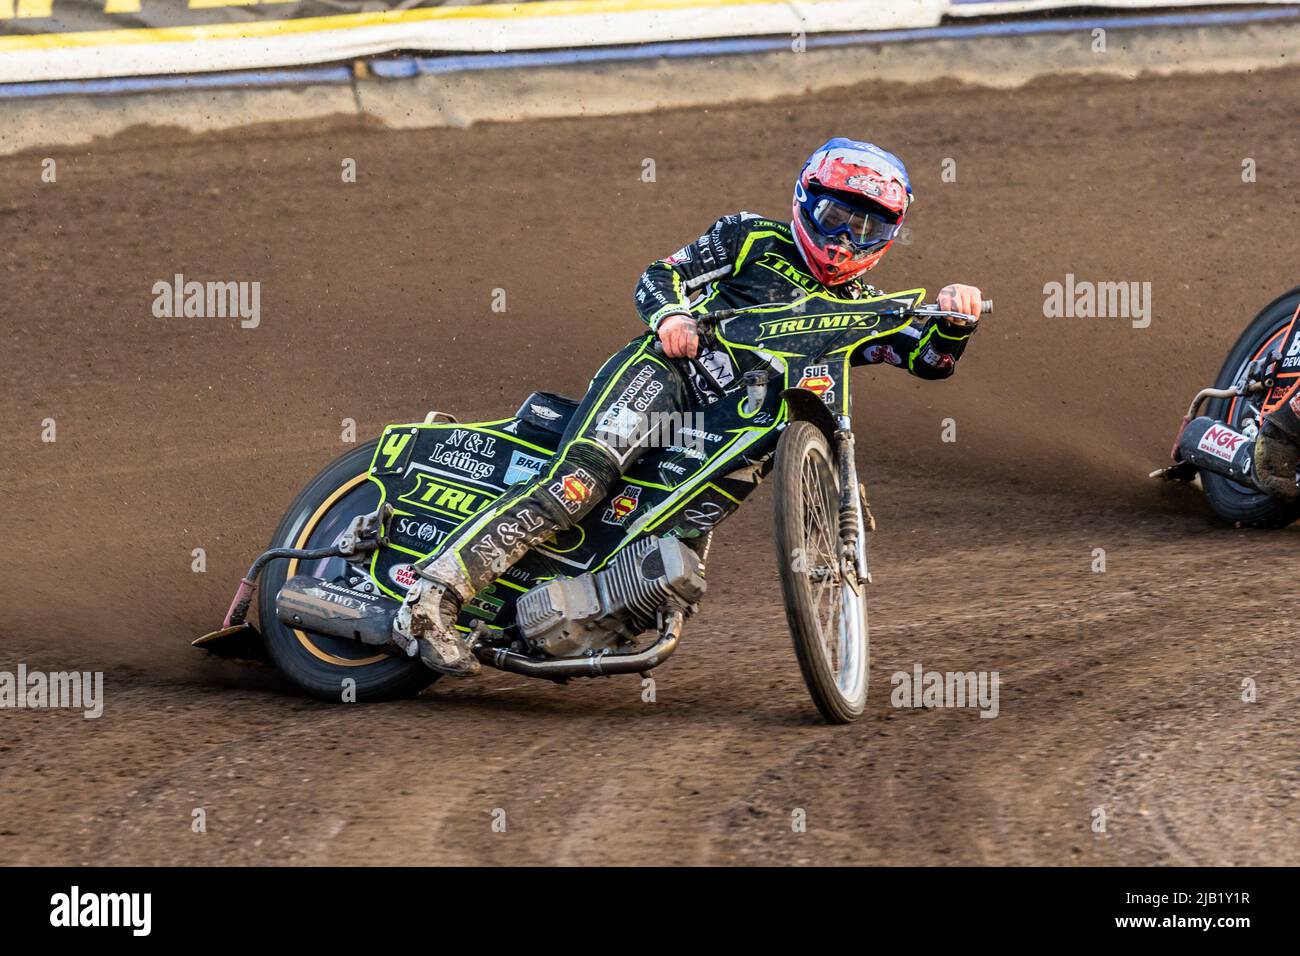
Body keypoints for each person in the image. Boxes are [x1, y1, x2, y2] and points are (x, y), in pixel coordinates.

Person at [393, 137, 984, 675]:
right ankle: (432, 597)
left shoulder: (866, 308)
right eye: (835, 217)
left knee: (677, 548)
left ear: (889, 236)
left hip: (730, 435)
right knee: (579, 482)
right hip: (667, 379)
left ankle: (583, 610)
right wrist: (673, 317)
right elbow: (660, 275)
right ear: (806, 200)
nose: (844, 239)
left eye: (867, 228)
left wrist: (957, 319)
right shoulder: (750, 237)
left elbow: (928, 359)